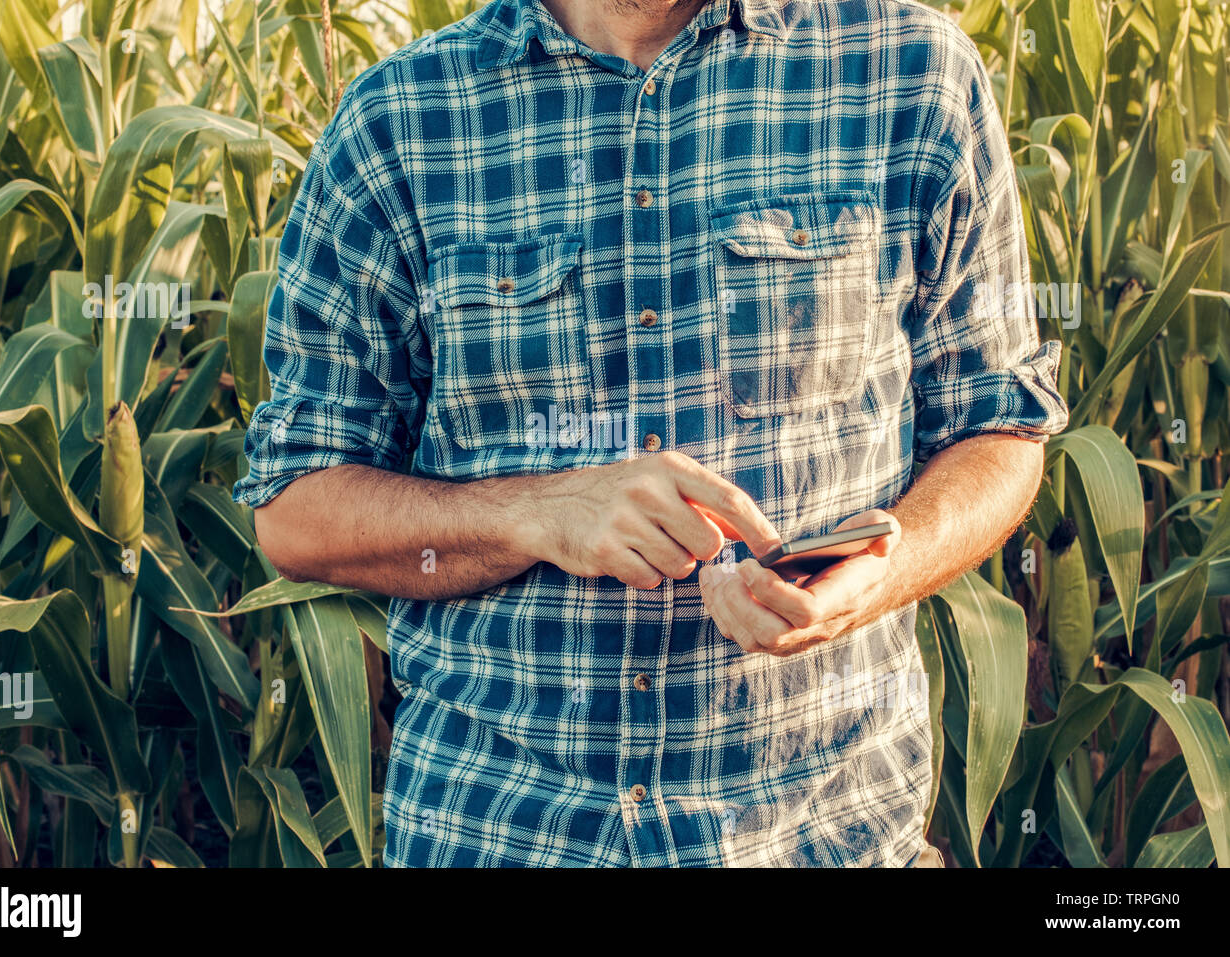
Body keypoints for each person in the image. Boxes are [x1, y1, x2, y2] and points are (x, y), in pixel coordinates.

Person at [234, 0, 1069, 866]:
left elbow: (999, 426)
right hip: (499, 832)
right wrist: (538, 513)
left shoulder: (910, 73)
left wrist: (880, 570)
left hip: (823, 834)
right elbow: (296, 508)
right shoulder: (401, 122)